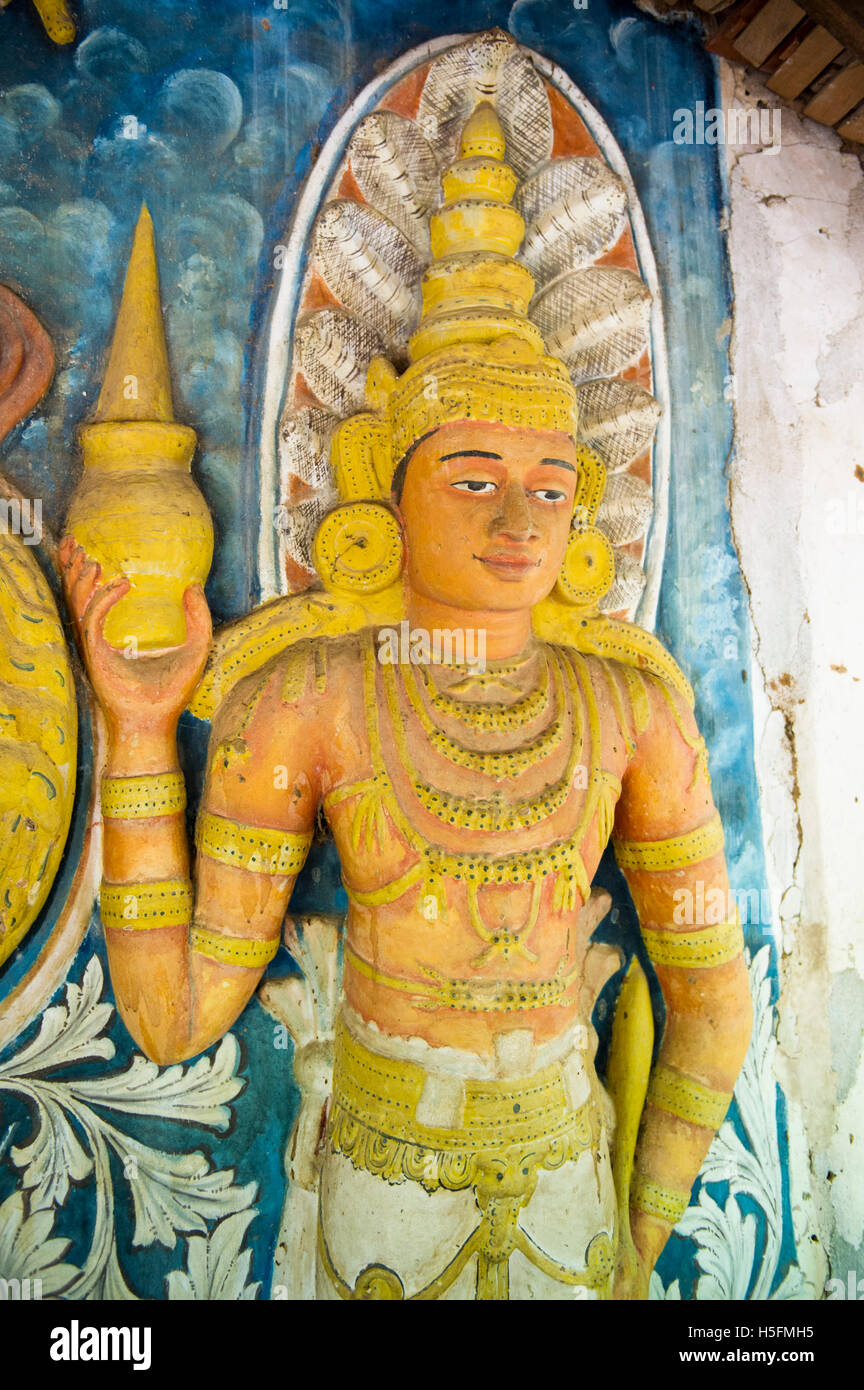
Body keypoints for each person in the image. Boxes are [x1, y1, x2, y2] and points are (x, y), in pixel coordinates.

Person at [60, 102, 752, 1301]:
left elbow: (709, 996)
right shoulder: (307, 700)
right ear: (390, 481)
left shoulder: (632, 710)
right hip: (377, 1212)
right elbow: (174, 1019)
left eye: (549, 485)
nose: (518, 518)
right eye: (472, 477)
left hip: (575, 1207)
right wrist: (130, 726)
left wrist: (645, 1221)